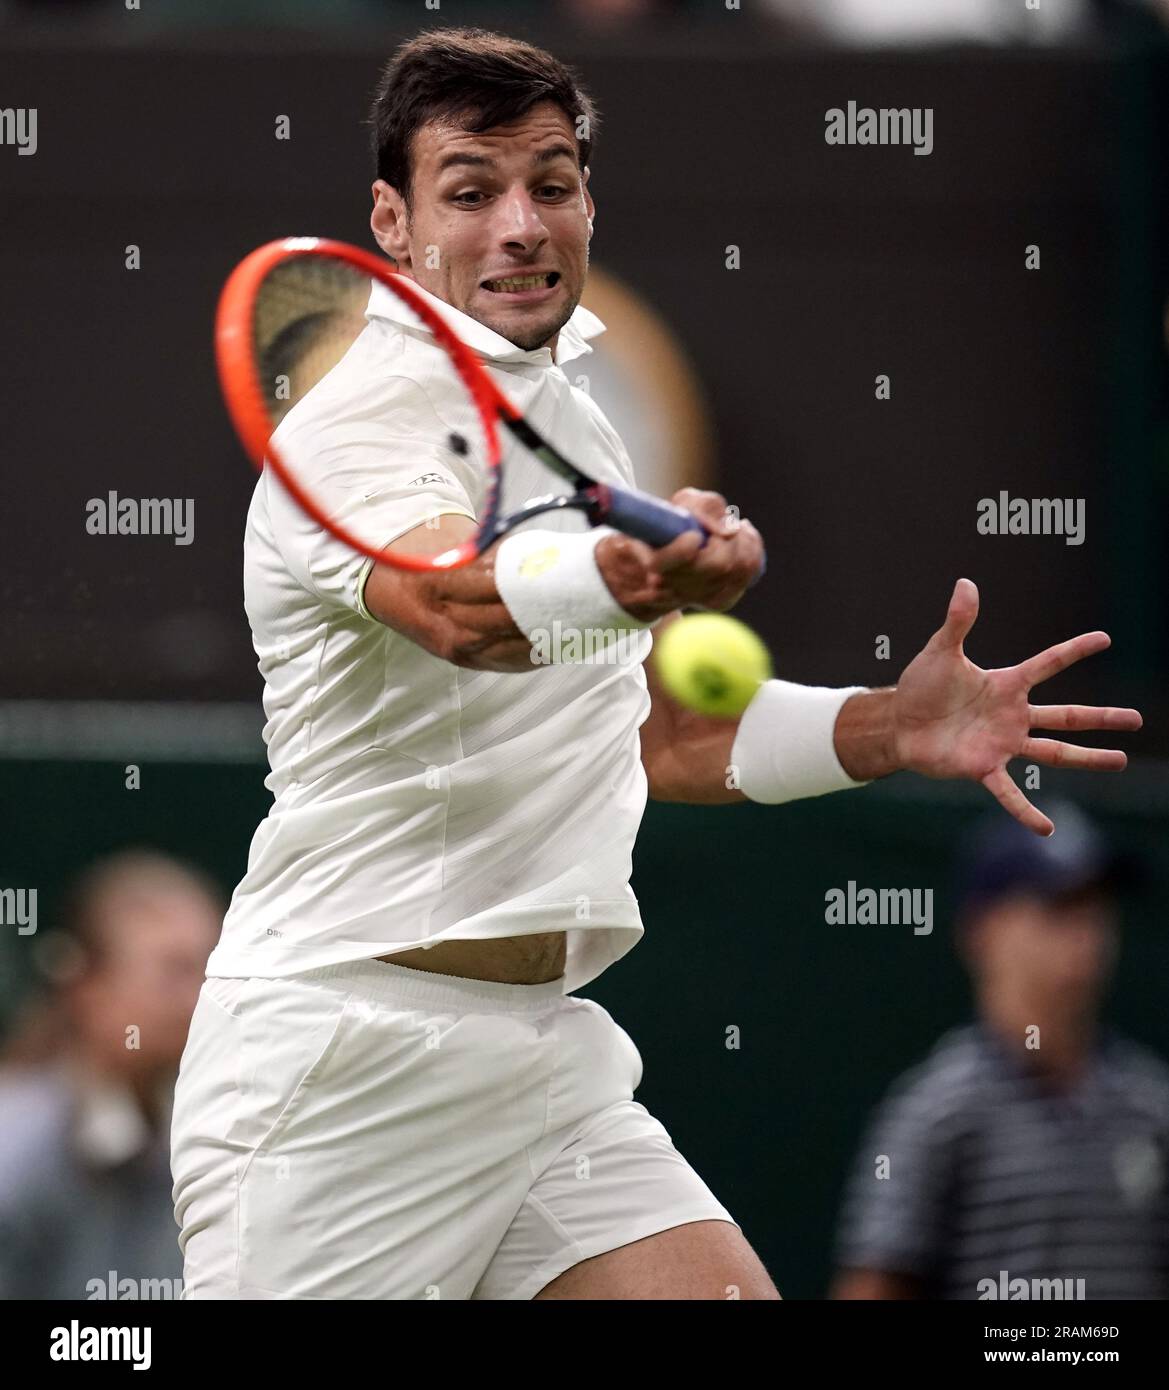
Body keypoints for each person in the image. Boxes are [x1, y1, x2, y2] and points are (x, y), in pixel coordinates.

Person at [171, 26, 1141, 1301]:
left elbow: (662, 733)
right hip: (339, 1072)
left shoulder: (574, 428)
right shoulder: (353, 424)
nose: (520, 223)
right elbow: (458, 607)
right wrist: (622, 577)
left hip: (544, 1062)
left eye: (553, 183)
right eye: (470, 192)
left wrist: (888, 726)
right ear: (391, 223)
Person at [832, 803, 1169, 1301]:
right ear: (983, 931)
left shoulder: (1152, 1104)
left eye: (1097, 910)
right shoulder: (937, 1112)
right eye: (1058, 908)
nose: (1087, 936)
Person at [0, 851, 221, 1299]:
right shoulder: (15, 1150)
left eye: (211, 969)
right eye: (174, 971)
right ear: (85, 983)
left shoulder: (206, 1134)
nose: (197, 999)